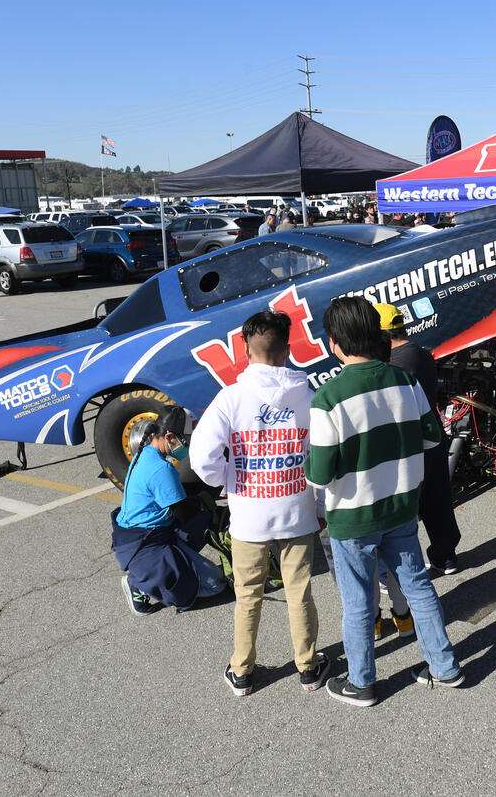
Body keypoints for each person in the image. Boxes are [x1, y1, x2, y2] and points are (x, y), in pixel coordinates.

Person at [306, 297, 461, 706]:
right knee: (417, 584)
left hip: (353, 517)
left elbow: (319, 474)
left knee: (359, 600)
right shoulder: (405, 381)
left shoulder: (328, 397)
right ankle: (444, 666)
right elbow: (431, 437)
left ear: (334, 342)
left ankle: (362, 682)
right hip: (401, 506)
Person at [189, 311, 328, 696]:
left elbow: (202, 458)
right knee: (299, 590)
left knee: (247, 594)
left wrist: (230, 480)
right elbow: (323, 455)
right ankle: (308, 667)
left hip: (249, 516)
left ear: (244, 349)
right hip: (296, 510)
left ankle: (243, 671)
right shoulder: (307, 397)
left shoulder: (231, 399)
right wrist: (319, 508)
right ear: (287, 349)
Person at [110, 407, 229, 615]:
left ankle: (181, 562)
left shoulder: (144, 454)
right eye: (185, 440)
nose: (187, 446)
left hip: (146, 532)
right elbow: (182, 513)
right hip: (146, 544)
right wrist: (203, 500)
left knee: (204, 517)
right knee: (215, 585)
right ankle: (138, 583)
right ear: (169, 437)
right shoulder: (161, 469)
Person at [373, 303, 461, 574]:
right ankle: (445, 556)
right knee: (437, 499)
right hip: (431, 433)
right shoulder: (420, 353)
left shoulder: (393, 363)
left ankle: (401, 571)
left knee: (404, 505)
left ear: (381, 334)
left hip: (407, 442)